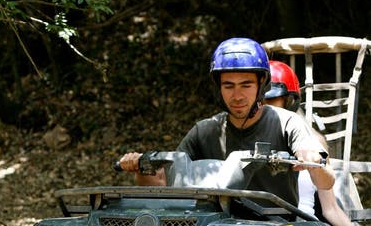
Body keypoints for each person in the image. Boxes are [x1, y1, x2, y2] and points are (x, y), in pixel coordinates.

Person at [118, 38, 335, 204]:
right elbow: (166, 184)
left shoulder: (286, 122)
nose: (237, 96)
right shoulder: (205, 131)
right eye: (228, 86)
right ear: (218, 88)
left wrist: (313, 161)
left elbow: (326, 181)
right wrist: (141, 168)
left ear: (261, 85)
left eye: (246, 85)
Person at [265, 60, 371, 226]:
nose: (265, 107)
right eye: (260, 101)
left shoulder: (314, 142)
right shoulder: (247, 141)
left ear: (289, 101)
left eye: (272, 100)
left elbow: (330, 208)